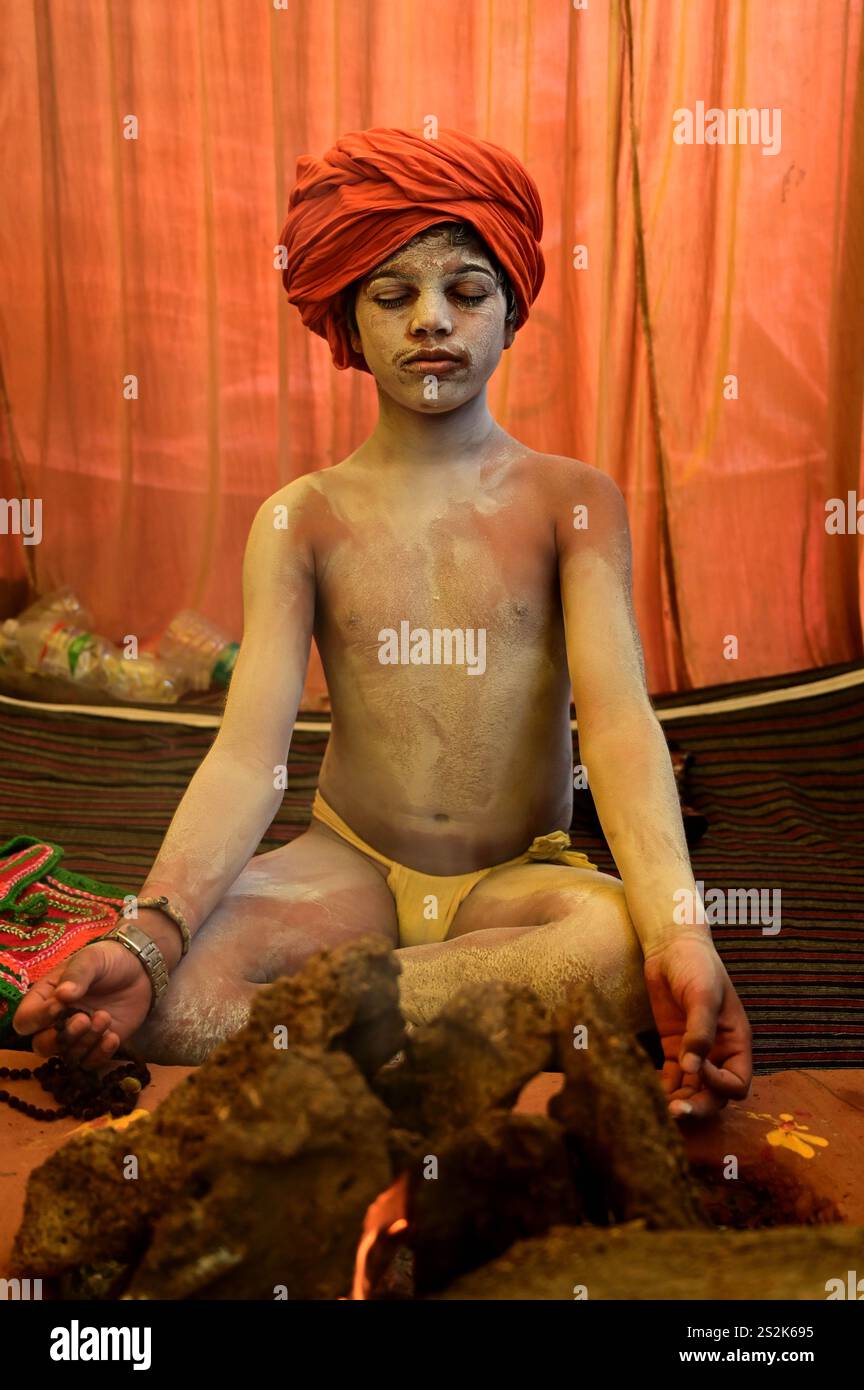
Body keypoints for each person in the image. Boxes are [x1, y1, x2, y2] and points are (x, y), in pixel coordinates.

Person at [13, 127, 751, 1119]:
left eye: (467, 291)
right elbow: (247, 757)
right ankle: (402, 1036)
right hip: (342, 864)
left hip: (511, 876)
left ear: (513, 309)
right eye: (394, 295)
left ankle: (316, 1033)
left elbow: (616, 724)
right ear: (349, 323)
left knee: (623, 950)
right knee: (163, 990)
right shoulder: (301, 517)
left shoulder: (572, 500)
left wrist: (680, 930)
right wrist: (154, 928)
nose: (432, 321)